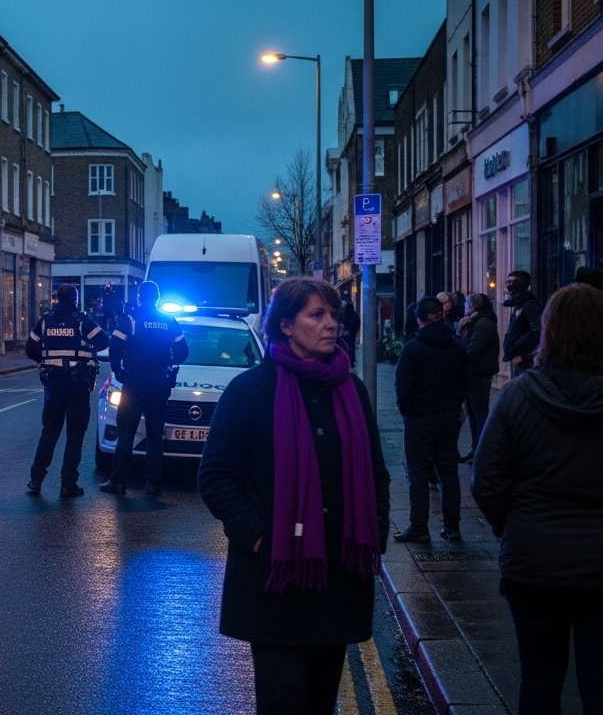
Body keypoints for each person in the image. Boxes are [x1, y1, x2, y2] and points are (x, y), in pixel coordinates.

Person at [472, 285, 603, 714]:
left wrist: (516, 524)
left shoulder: (517, 397)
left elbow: (487, 482)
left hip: (534, 561)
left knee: (538, 679)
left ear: (549, 332)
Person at [198, 277, 390, 714]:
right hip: (276, 584)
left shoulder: (352, 390)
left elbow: (377, 474)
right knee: (283, 701)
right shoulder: (249, 392)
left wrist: (373, 532)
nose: (331, 326)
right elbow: (215, 477)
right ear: (285, 325)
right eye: (317, 315)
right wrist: (260, 539)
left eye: (334, 315)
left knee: (322, 703)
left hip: (338, 584)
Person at [100, 281, 189, 497]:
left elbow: (115, 348)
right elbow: (183, 352)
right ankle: (152, 484)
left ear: (140, 297)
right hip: (160, 382)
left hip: (135, 382)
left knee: (126, 432)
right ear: (157, 298)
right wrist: (167, 363)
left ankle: (118, 481)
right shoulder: (168, 320)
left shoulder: (130, 319)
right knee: (155, 434)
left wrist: (118, 370)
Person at [393, 296, 469, 543]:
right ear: (442, 315)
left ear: (419, 320)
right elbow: (464, 382)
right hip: (448, 416)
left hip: (420, 418)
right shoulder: (457, 346)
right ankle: (453, 527)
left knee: (417, 474)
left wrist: (408, 411)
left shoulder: (413, 349)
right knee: (448, 473)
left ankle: (419, 527)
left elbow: (403, 387)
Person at [25, 283, 108, 497]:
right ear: (75, 300)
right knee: (75, 434)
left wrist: (46, 359)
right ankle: (67, 484)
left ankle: (36, 480)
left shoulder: (45, 321)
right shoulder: (82, 321)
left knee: (50, 431)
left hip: (53, 382)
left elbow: (30, 348)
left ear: (56, 299)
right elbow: (103, 341)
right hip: (78, 383)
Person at [457, 293, 500, 463]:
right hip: (472, 372)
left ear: (472, 306)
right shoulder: (474, 322)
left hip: (479, 373)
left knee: (479, 412)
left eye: (467, 304)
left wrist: (460, 333)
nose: (465, 307)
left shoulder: (483, 323)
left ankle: (482, 451)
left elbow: (473, 350)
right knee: (473, 413)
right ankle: (476, 449)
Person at [502, 271, 543, 373]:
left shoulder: (530, 305)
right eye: (508, 282)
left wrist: (518, 348)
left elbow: (537, 331)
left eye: (513, 282)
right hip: (517, 355)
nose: (509, 286)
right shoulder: (519, 305)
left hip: (524, 357)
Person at [338, 299, 362, 368]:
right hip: (352, 333)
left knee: (346, 346)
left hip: (347, 334)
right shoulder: (355, 314)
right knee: (352, 347)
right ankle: (352, 360)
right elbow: (357, 323)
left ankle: (349, 360)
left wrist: (346, 330)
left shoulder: (347, 314)